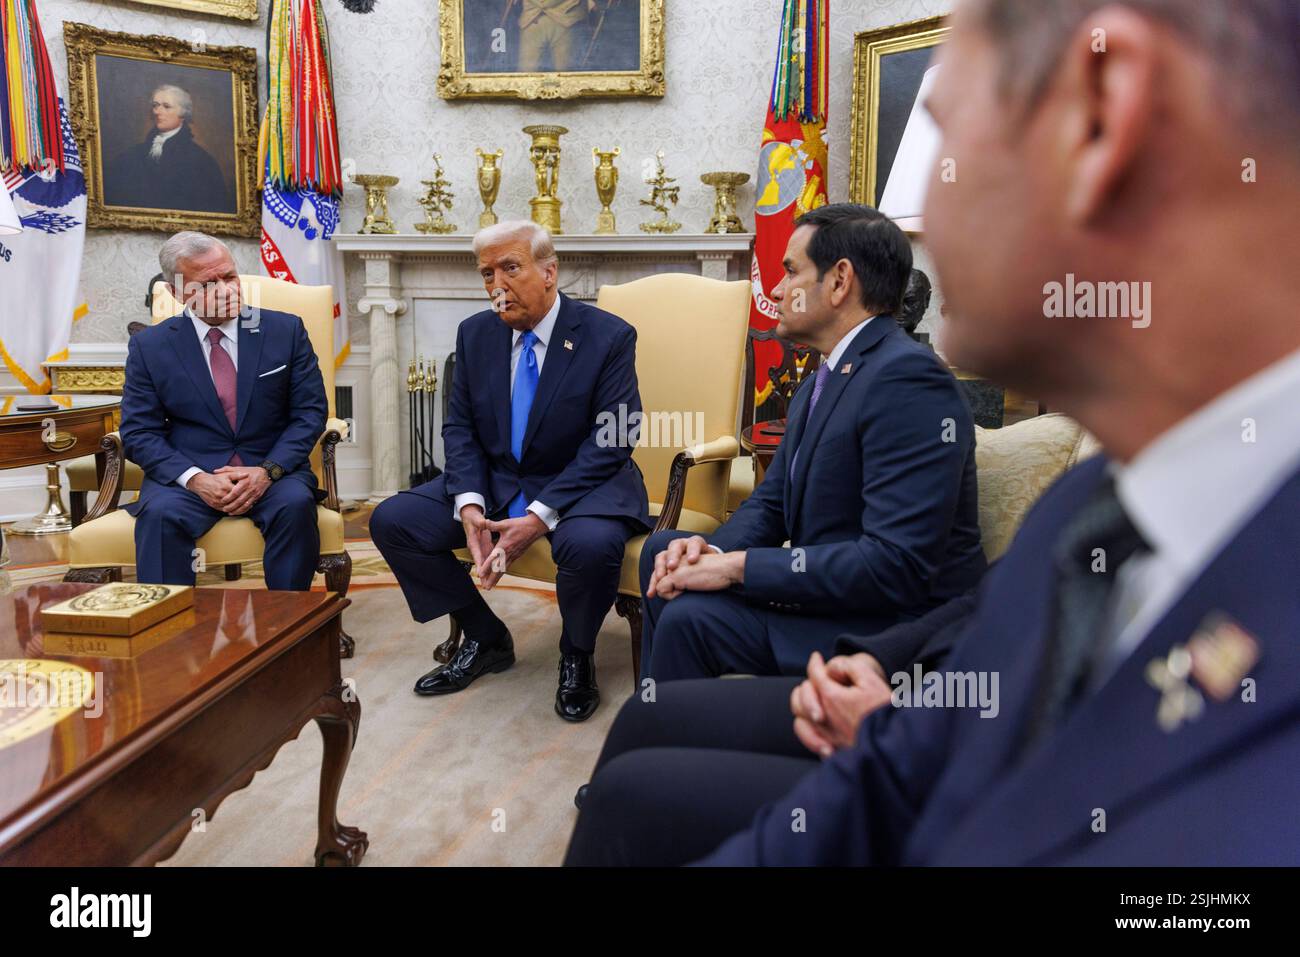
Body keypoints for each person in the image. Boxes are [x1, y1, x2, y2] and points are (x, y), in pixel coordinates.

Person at [568, 0, 1300, 866]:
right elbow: (908, 764)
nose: (928, 226)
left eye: (943, 141)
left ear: (1103, 114)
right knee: (632, 778)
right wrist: (733, 562)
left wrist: (748, 574)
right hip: (886, 675)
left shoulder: (912, 382)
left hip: (863, 621)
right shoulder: (1089, 509)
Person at [638, 203, 986, 682]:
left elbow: (894, 565)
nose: (776, 290)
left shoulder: (908, 379)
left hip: (887, 629)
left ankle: (672, 737)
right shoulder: (824, 377)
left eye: (789, 271)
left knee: (686, 616)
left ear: (840, 281)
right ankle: (671, 728)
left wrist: (737, 568)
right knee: (668, 556)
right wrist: (710, 553)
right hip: (829, 595)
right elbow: (773, 501)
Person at [369, 220, 650, 722]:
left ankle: (577, 655)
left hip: (584, 485)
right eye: (486, 274)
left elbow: (613, 438)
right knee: (394, 521)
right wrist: (469, 502)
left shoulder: (607, 336)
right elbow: (459, 429)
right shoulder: (476, 334)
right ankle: (485, 636)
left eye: (511, 268)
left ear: (549, 271)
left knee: (590, 547)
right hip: (498, 482)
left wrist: (541, 515)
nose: (497, 285)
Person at [120, 232, 327, 590]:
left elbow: (309, 413)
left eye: (229, 277)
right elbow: (139, 433)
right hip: (189, 475)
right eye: (207, 284)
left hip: (272, 468)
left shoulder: (284, 331)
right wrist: (196, 479)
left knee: (295, 505)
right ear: (176, 291)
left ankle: (290, 631)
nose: (226, 290)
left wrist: (266, 472)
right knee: (159, 515)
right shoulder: (149, 347)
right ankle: (172, 638)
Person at [105, 84, 232, 214]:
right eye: (155, 105)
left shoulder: (201, 161)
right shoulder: (132, 155)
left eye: (166, 106)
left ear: (183, 114)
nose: (157, 111)